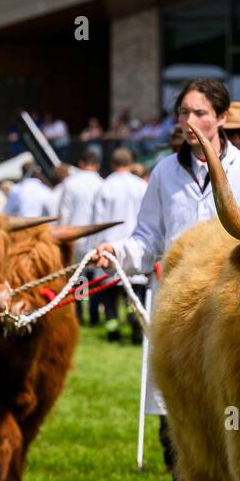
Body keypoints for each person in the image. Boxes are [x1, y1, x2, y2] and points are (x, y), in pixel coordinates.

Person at [89, 78, 240, 481]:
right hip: (178, 308)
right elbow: (147, 236)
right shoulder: (165, 173)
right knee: (178, 415)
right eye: (184, 114)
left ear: (222, 118)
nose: (190, 123)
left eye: (200, 113)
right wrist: (119, 253)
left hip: (233, 310)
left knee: (235, 410)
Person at [91, 147, 149, 342]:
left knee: (109, 297)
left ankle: (113, 331)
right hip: (136, 246)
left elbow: (97, 221)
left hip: (110, 247)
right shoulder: (141, 185)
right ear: (131, 163)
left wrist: (96, 247)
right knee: (134, 295)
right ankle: (136, 329)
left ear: (113, 164)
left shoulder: (105, 186)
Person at [55, 148, 105, 325]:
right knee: (94, 276)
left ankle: (78, 313)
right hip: (96, 238)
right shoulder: (102, 183)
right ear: (97, 164)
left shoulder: (70, 183)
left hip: (74, 236)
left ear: (81, 164)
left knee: (78, 276)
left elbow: (64, 212)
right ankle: (93, 313)